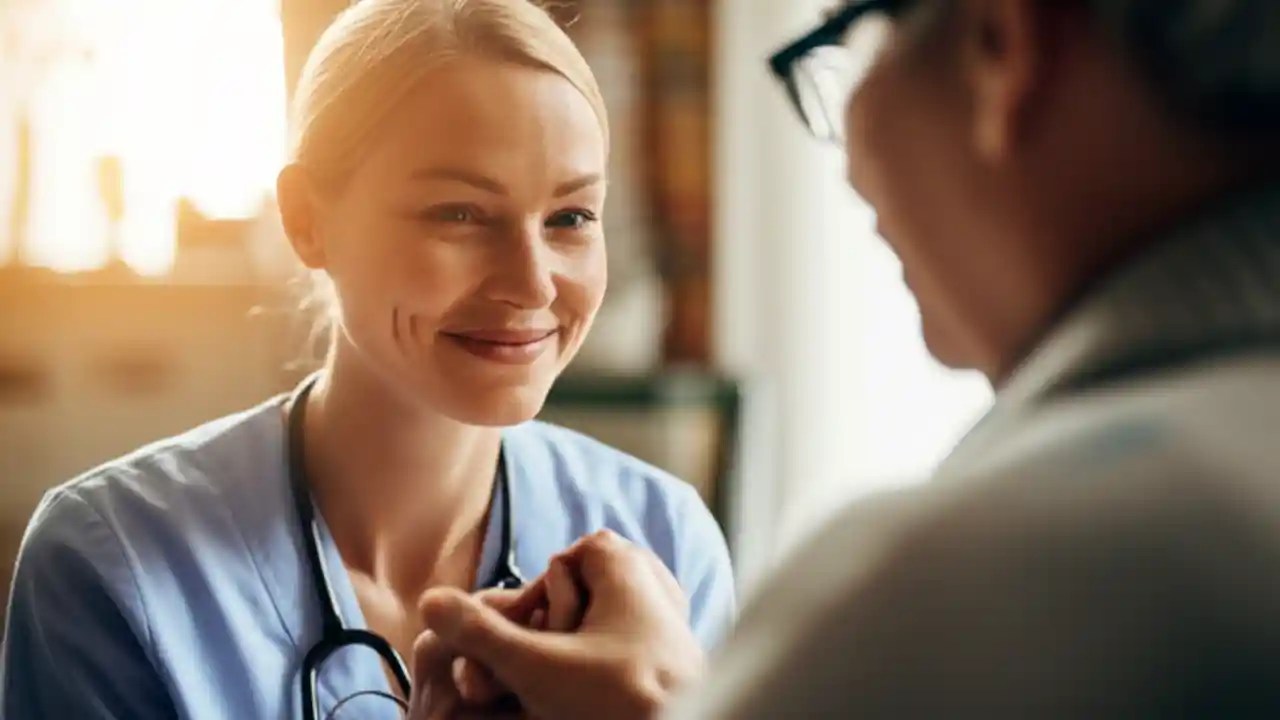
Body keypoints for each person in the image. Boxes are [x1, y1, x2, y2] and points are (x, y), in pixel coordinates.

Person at [406, 0, 1280, 716]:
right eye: (458, 213)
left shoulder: (964, 592)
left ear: (1001, 40)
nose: (851, 167)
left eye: (858, 36)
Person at [0, 1, 735, 717]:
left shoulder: (664, 541)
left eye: (570, 217)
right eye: (459, 214)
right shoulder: (107, 562)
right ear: (307, 220)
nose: (533, 283)